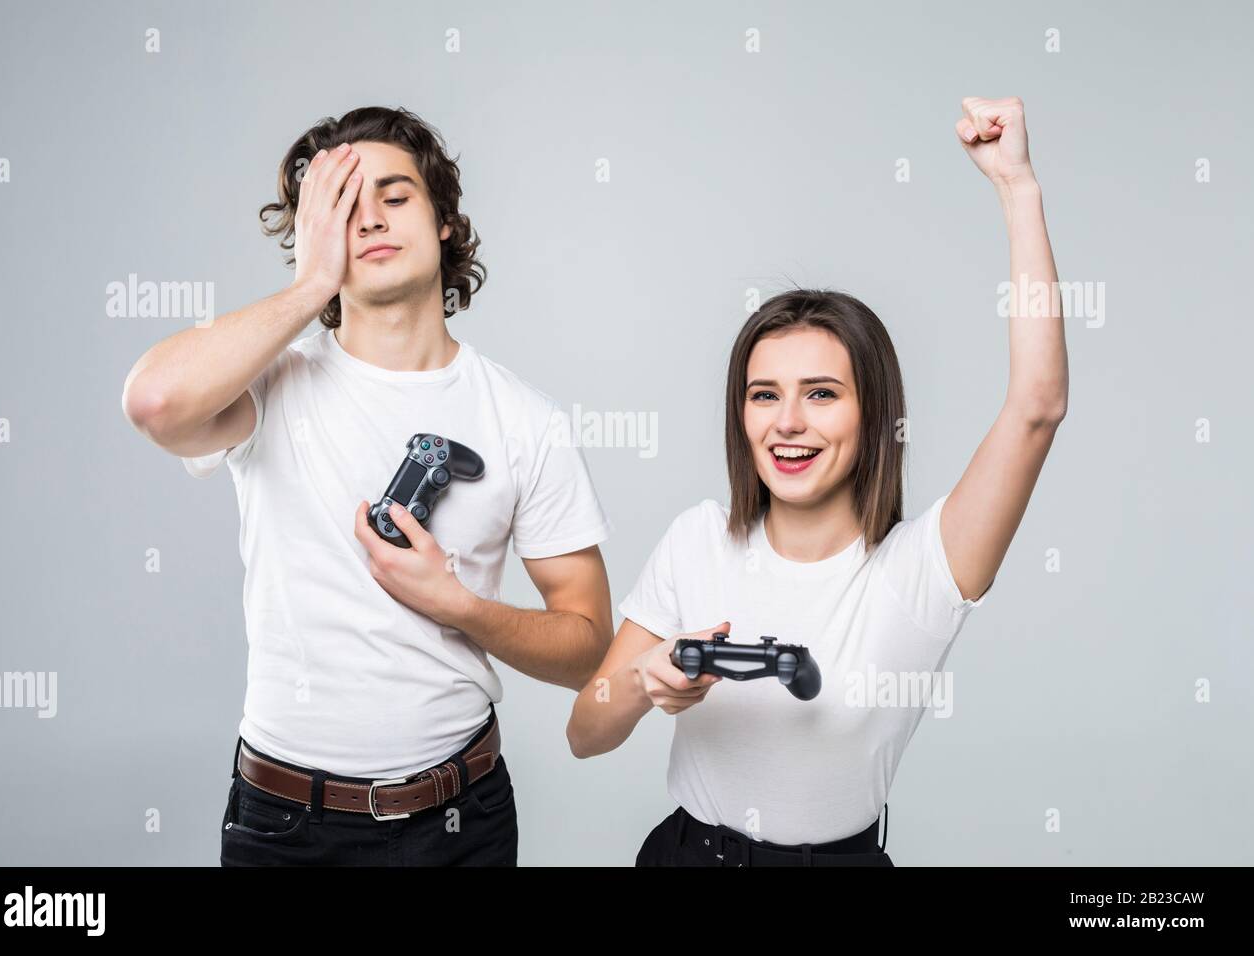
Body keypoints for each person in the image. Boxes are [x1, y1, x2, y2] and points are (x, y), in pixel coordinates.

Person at [566, 96, 1067, 867]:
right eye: (764, 394)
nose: (787, 422)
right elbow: (585, 733)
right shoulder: (697, 538)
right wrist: (643, 679)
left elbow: (1037, 408)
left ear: (874, 416)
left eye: (822, 394)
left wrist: (1017, 187)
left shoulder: (922, 570)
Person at [121, 106, 614, 866]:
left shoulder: (525, 420)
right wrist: (313, 280)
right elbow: (154, 402)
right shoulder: (263, 389)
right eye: (342, 207)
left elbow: (587, 648)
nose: (371, 220)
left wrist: (461, 607)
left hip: (462, 820)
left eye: (395, 194)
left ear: (444, 220)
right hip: (286, 825)